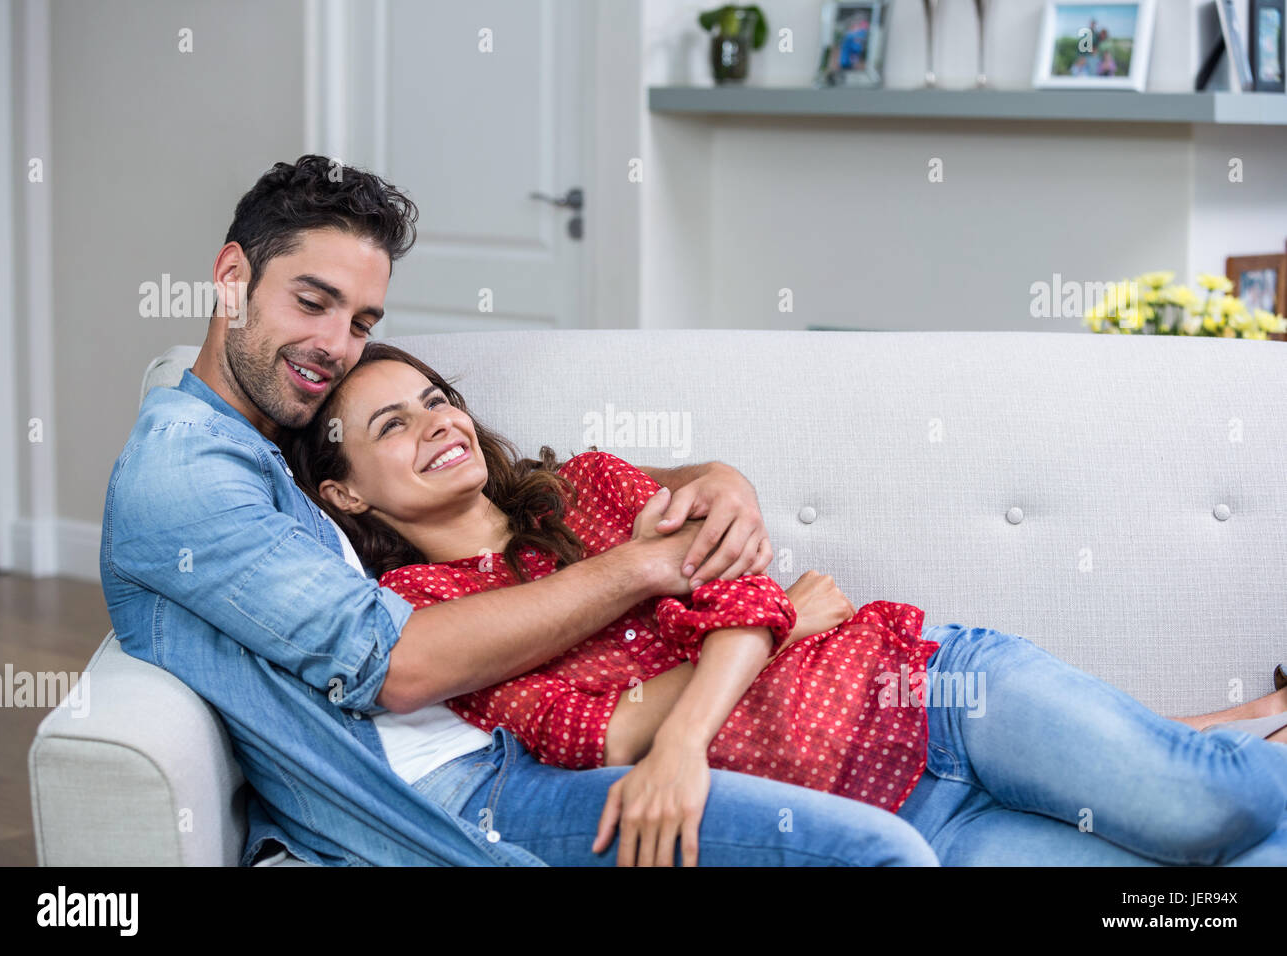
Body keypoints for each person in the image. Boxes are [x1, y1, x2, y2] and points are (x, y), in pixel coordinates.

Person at [99, 154, 939, 867]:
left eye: (361, 321)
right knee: (881, 853)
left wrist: (708, 473)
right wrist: (642, 564)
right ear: (231, 277)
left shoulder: (275, 425)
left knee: (947, 830)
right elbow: (397, 668)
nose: (333, 346)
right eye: (310, 302)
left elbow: (516, 486)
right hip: (460, 798)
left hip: (514, 751)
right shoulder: (187, 474)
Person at [284, 344, 1287, 866]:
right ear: (345, 493)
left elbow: (738, 590)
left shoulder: (583, 483)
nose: (435, 422)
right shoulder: (417, 610)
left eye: (435, 398)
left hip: (926, 692)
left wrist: (686, 733)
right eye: (391, 423)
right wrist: (771, 628)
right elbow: (596, 730)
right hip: (897, 817)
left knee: (1223, 805)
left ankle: (1250, 740)